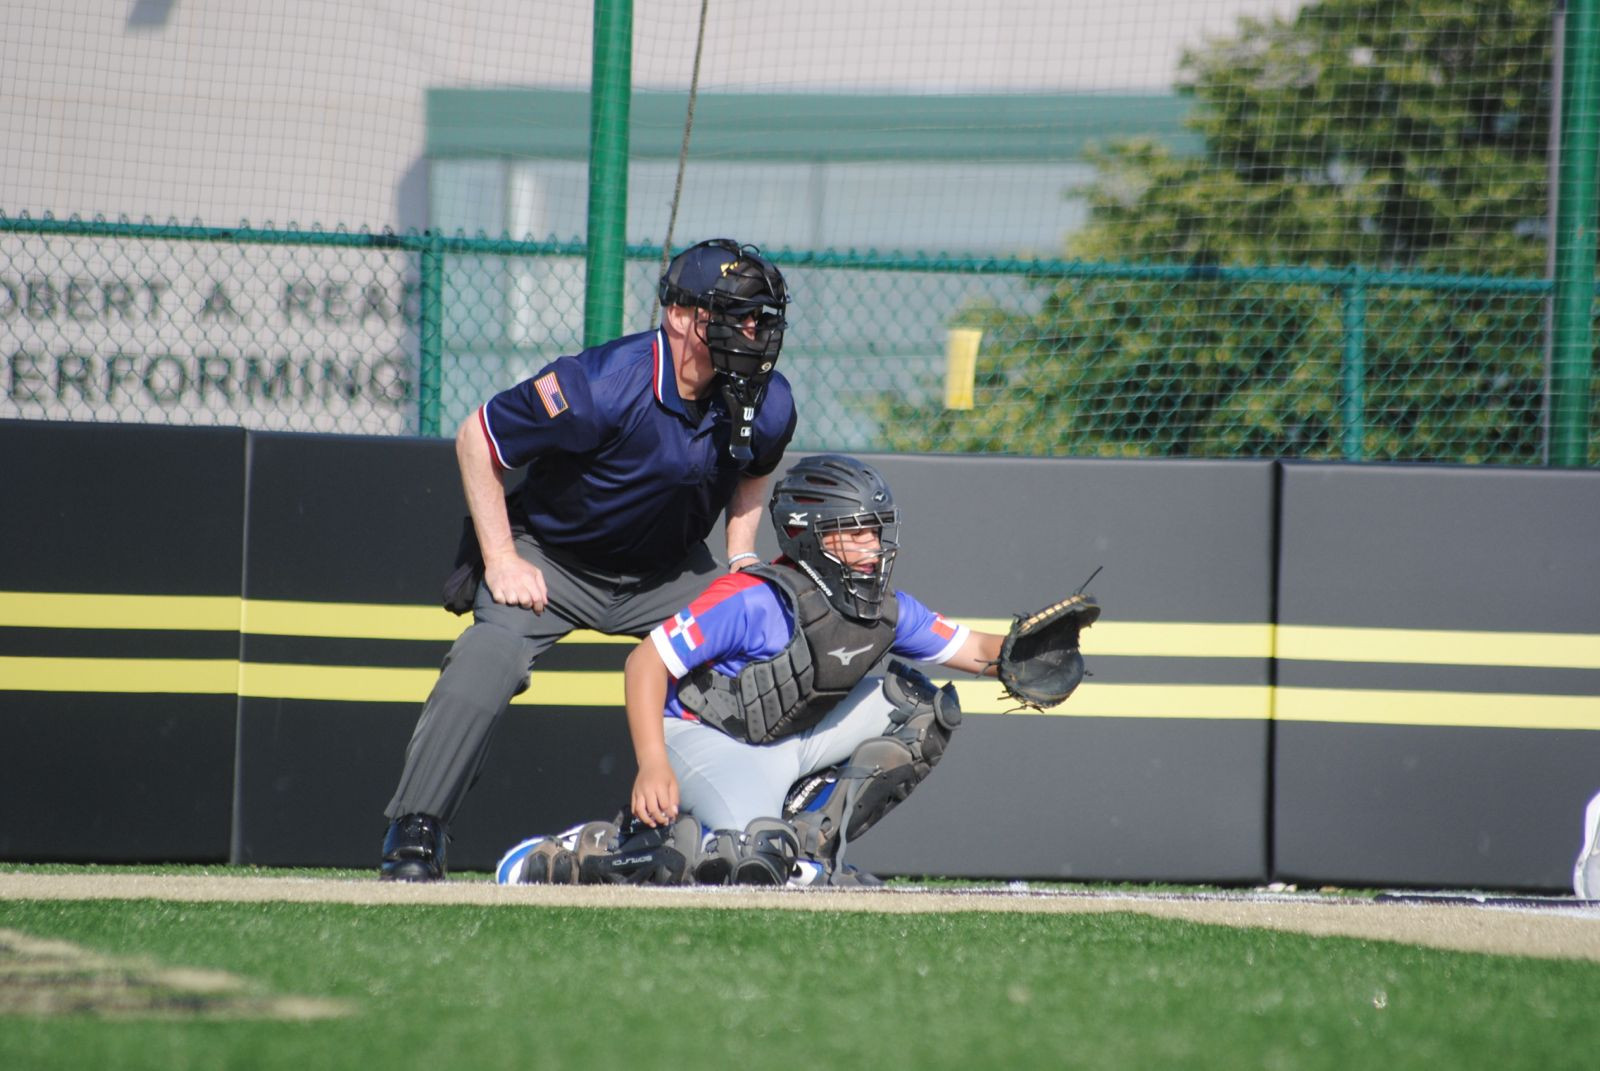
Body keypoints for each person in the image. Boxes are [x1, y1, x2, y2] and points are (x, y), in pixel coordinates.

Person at [380, 238, 797, 882]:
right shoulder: (598, 384)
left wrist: (739, 554)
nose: (752, 331)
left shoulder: (767, 399)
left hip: (667, 573)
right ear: (679, 316)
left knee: (761, 638)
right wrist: (500, 558)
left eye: (759, 316)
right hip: (553, 560)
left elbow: (755, 465)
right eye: (735, 314)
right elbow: (477, 438)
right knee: (488, 656)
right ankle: (416, 829)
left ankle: (753, 837)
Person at [496, 454, 1072, 889]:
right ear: (809, 536)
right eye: (855, 532)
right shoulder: (751, 599)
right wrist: (652, 763)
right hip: (703, 739)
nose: (873, 546)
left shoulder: (885, 609)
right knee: (741, 863)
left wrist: (1024, 651)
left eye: (876, 530)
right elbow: (644, 662)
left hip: (788, 742)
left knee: (920, 705)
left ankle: (807, 850)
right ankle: (591, 851)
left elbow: (975, 649)